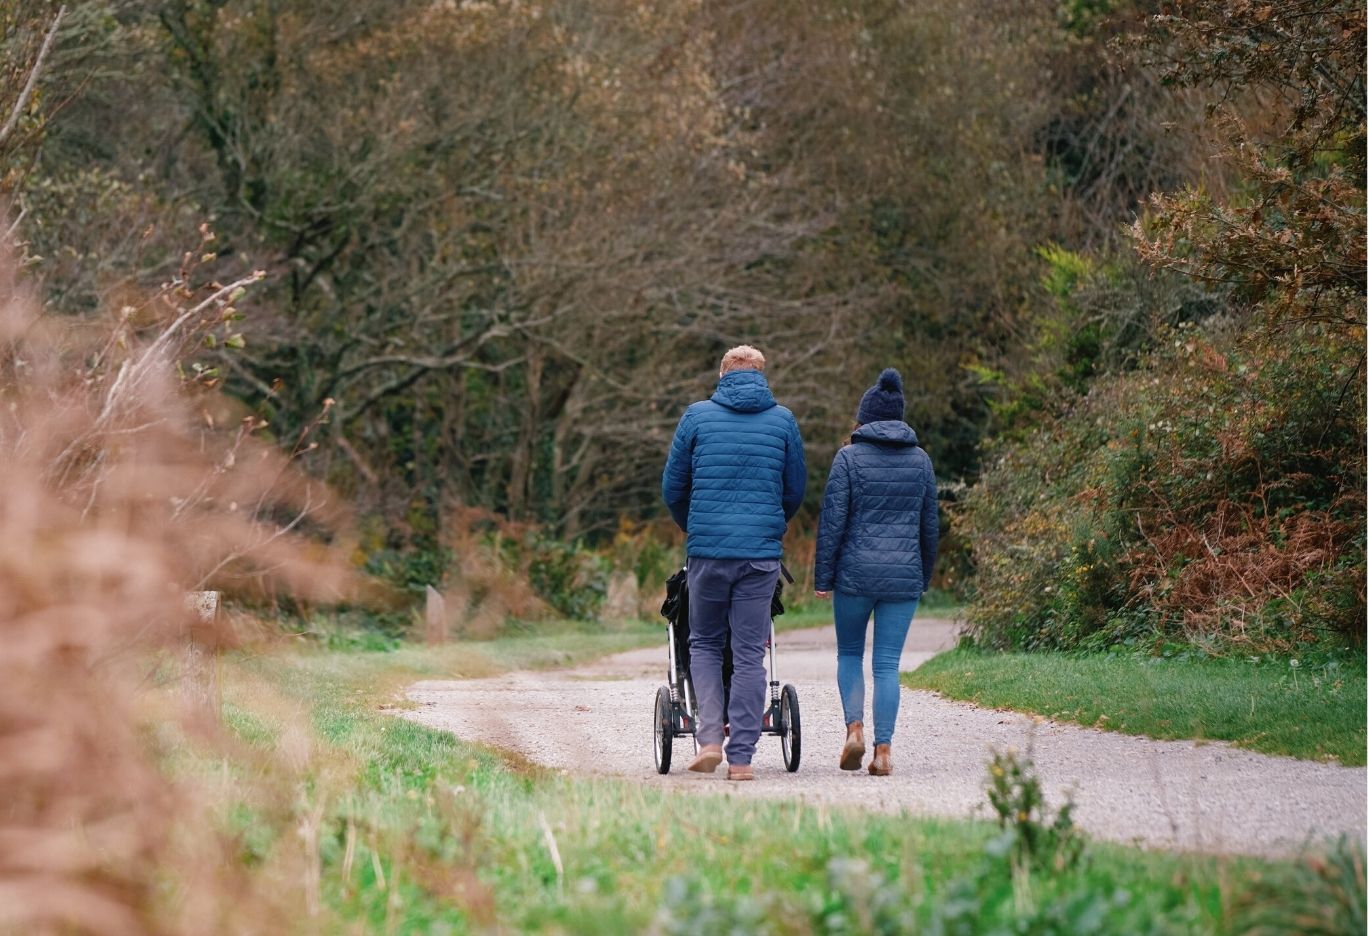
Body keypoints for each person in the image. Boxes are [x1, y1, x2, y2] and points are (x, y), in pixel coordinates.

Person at [662, 345, 806, 781]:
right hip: (760, 556)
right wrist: (768, 527)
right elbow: (794, 489)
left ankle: (709, 739)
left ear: (723, 374)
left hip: (708, 552)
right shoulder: (783, 420)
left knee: (703, 643)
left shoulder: (696, 416)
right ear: (761, 375)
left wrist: (697, 527)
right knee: (748, 653)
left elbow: (673, 487)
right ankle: (741, 759)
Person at [813, 368, 938, 776]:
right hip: (903, 577)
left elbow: (833, 521)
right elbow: (929, 528)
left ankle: (854, 729)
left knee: (850, 652)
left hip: (855, 575)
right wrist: (924, 575)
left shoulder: (848, 458)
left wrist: (823, 578)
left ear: (863, 419)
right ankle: (883, 752)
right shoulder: (921, 462)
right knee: (886, 664)